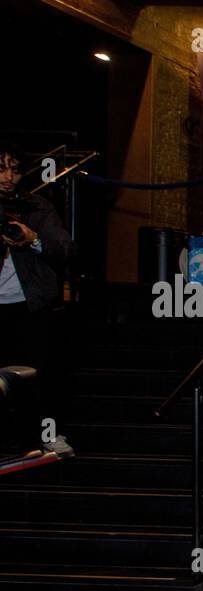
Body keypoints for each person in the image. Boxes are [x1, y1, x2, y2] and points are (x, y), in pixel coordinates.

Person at [0, 141, 76, 420]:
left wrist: (33, 239)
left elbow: (66, 249)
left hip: (27, 305)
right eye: (1, 169)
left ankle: (37, 437)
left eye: (15, 170)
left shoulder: (36, 206)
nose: (9, 177)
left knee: (32, 380)